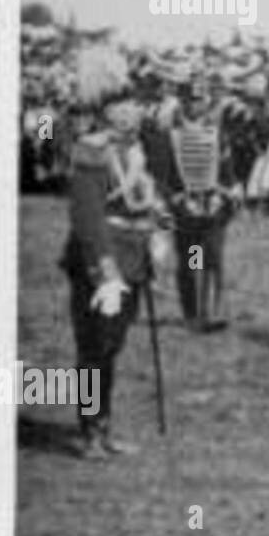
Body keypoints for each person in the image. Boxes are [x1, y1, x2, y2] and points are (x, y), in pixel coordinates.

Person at [60, 45, 167, 458]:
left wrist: (159, 231)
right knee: (95, 348)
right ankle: (90, 431)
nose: (130, 112)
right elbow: (87, 220)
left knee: (112, 346)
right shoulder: (91, 151)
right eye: (121, 106)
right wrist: (105, 273)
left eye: (133, 105)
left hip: (133, 258)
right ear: (105, 113)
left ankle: (103, 427)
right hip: (101, 263)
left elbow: (147, 202)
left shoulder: (136, 149)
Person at [162, 76, 240, 333]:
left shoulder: (218, 133)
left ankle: (213, 313)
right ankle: (193, 312)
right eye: (191, 99)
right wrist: (177, 201)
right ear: (182, 101)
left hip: (214, 205)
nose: (196, 105)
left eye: (201, 99)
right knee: (192, 259)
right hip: (186, 207)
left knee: (214, 257)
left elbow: (227, 170)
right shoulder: (169, 134)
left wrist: (226, 194)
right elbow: (163, 175)